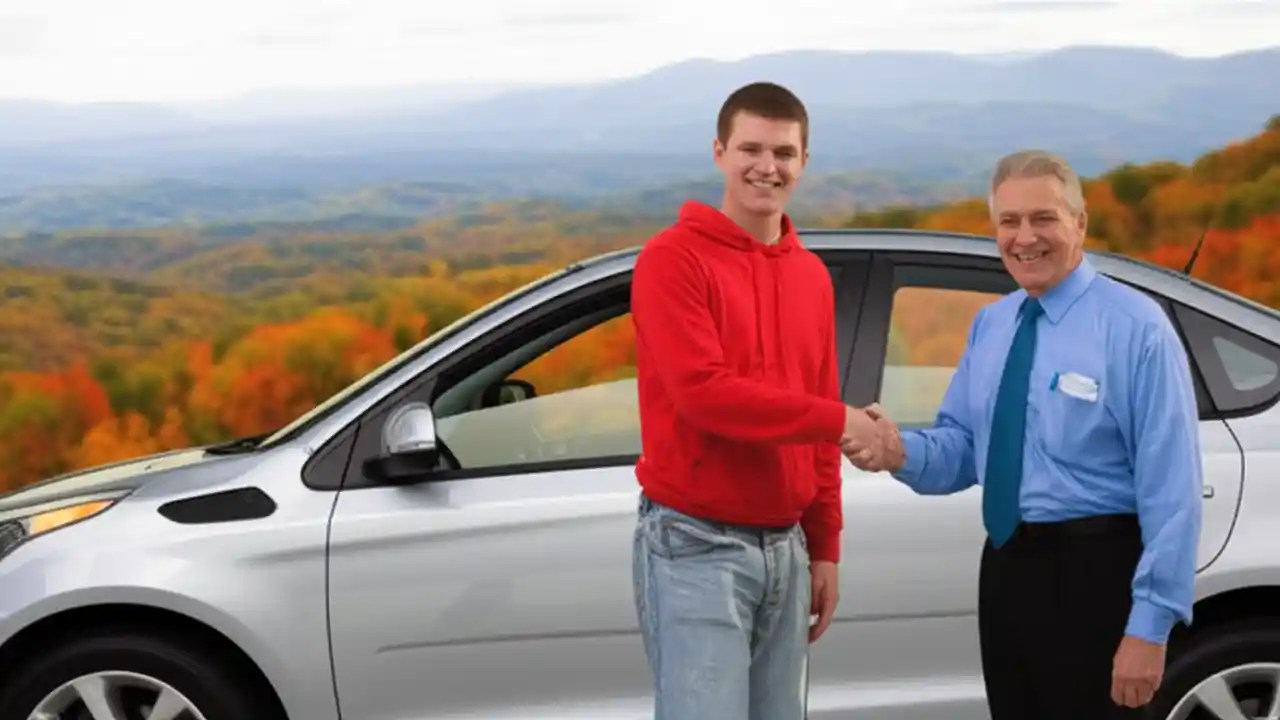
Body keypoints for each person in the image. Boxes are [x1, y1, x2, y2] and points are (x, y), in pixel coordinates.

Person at [847, 149, 1204, 719]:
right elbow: (963, 448)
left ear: (1079, 224)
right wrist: (898, 451)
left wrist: (1150, 627)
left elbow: (1173, 494)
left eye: (1044, 218)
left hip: (1099, 575)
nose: (1024, 237)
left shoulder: (1136, 329)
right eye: (1009, 222)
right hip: (1009, 571)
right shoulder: (993, 324)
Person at [629, 81, 884, 720]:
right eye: (750, 149)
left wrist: (824, 544)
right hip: (693, 543)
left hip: (788, 548)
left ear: (803, 162)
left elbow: (817, 415)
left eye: (784, 153)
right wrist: (843, 419)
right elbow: (704, 396)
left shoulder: (811, 277)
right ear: (719, 152)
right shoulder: (672, 260)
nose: (766, 167)